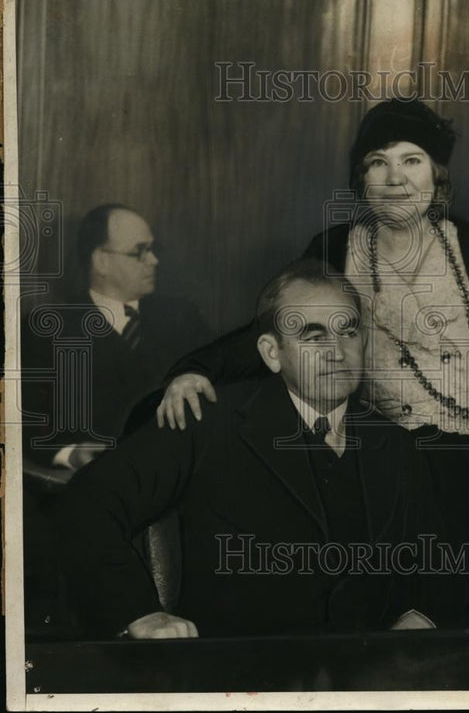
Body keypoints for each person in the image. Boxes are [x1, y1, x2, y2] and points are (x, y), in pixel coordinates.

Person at [155, 99, 469, 624]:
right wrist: (197, 368)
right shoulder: (335, 246)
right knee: (382, 607)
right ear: (361, 180)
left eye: (411, 161)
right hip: (376, 454)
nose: (396, 178)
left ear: (436, 175)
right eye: (378, 162)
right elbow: (276, 329)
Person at [57, 260, 438, 640]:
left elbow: (435, 560)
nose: (336, 352)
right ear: (272, 352)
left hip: (366, 679)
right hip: (237, 673)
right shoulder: (207, 422)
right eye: (312, 335)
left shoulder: (396, 445)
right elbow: (87, 501)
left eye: (348, 332)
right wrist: (139, 612)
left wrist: (421, 613)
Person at [21, 203, 206, 473]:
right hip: (94, 489)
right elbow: (23, 424)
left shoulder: (184, 317)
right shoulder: (47, 331)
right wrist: (70, 454)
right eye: (140, 251)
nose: (154, 260)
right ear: (101, 261)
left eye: (152, 250)